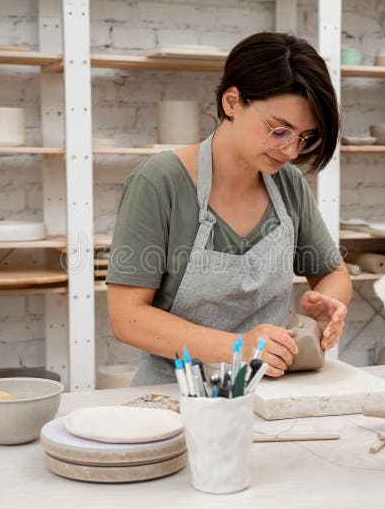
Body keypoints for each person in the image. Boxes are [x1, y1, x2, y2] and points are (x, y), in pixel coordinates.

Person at [106, 32, 352, 386]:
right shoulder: (159, 182)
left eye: (305, 137)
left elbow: (334, 273)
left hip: (267, 389)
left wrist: (326, 305)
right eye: (279, 130)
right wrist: (239, 346)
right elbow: (127, 317)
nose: (291, 151)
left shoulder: (289, 186)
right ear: (232, 102)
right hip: (175, 395)